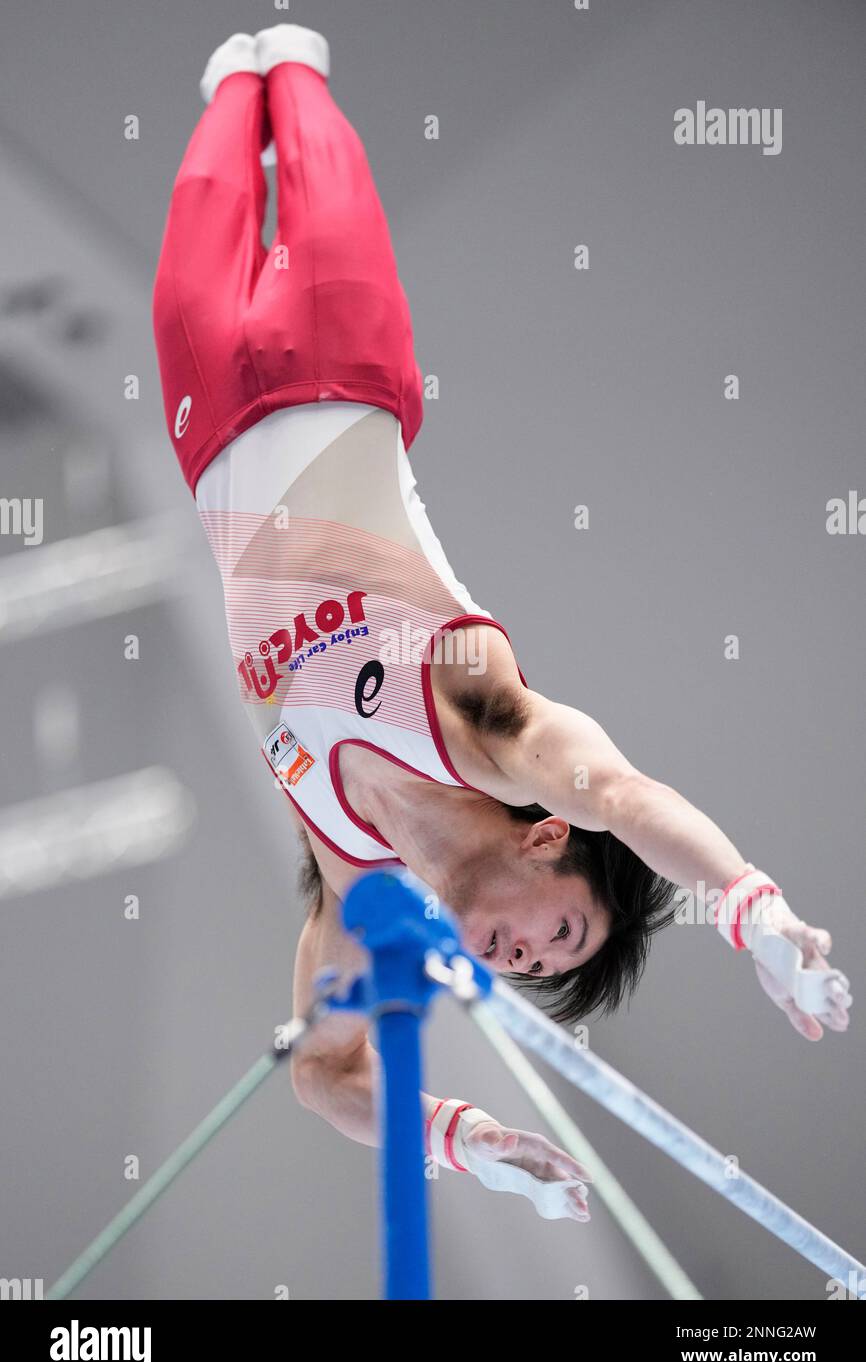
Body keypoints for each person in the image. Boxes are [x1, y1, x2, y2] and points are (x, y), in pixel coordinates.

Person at [153, 25, 851, 1222]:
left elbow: (323, 1075)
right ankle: (295, 67)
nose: (526, 962)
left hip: (206, 426)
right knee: (295, 93)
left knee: (214, 149)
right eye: (563, 932)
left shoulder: (344, 871)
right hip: (338, 358)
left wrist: (454, 1141)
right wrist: (748, 906)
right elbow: (626, 798)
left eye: (532, 972)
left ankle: (231, 78)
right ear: (546, 838)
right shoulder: (490, 723)